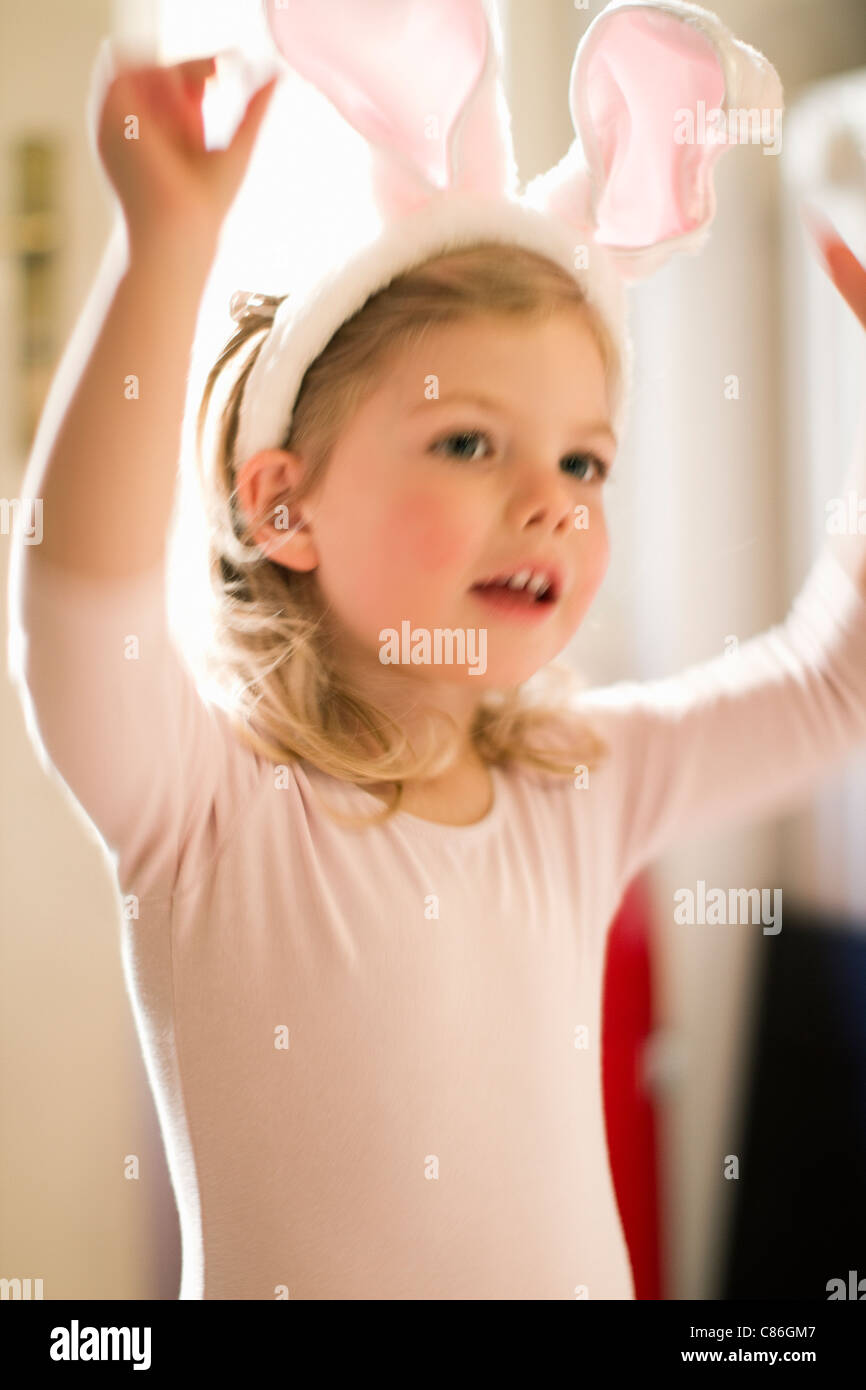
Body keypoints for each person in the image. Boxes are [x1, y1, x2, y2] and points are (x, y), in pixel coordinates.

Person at [8, 3, 866, 1300]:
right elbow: (81, 601)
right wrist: (164, 250)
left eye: (584, 457)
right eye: (469, 439)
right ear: (278, 502)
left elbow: (833, 685)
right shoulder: (204, 804)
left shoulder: (581, 781)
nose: (555, 500)